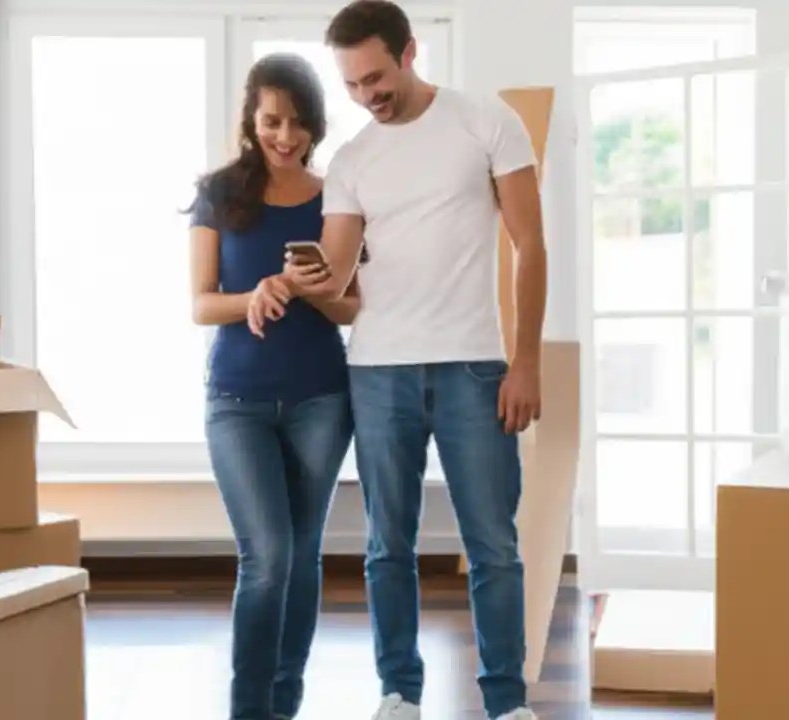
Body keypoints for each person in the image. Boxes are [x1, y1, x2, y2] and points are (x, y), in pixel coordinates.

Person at [276, 2, 549, 719]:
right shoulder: (354, 161)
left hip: (475, 367)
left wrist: (526, 363)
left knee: (493, 544)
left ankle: (506, 701)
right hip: (378, 371)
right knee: (385, 547)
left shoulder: (486, 122)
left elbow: (531, 247)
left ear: (409, 52)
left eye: (375, 77)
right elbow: (336, 277)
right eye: (353, 86)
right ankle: (399, 693)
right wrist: (304, 279)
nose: (368, 96)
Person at [188, 53, 360, 720]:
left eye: (297, 123)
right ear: (250, 122)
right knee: (269, 556)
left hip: (322, 397)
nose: (285, 136)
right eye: (271, 121)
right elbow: (200, 304)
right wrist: (254, 293)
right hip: (237, 401)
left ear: (315, 125)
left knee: (301, 557)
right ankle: (249, 709)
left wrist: (316, 289)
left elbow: (351, 308)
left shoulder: (335, 198)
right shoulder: (218, 193)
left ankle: (285, 704)